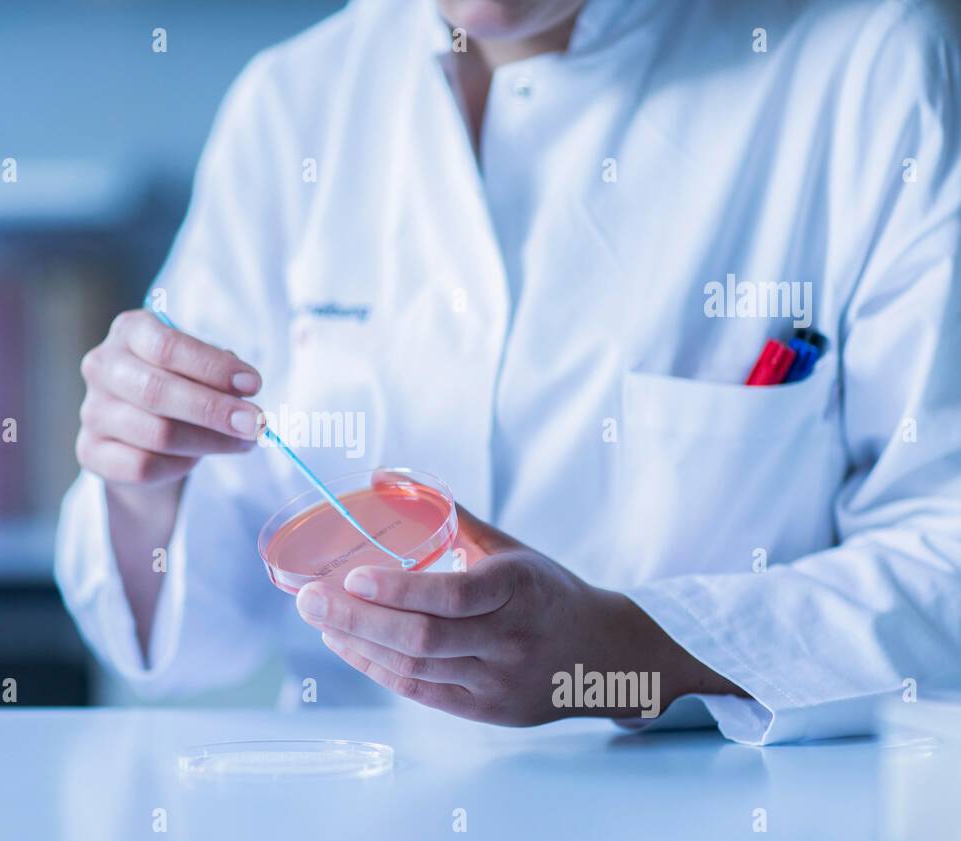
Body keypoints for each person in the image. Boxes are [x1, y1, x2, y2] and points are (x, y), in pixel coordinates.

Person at [56, 0, 961, 744]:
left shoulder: (874, 69)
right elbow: (189, 642)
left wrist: (632, 656)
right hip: (361, 828)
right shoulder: (296, 100)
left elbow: (946, 561)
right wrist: (142, 489)